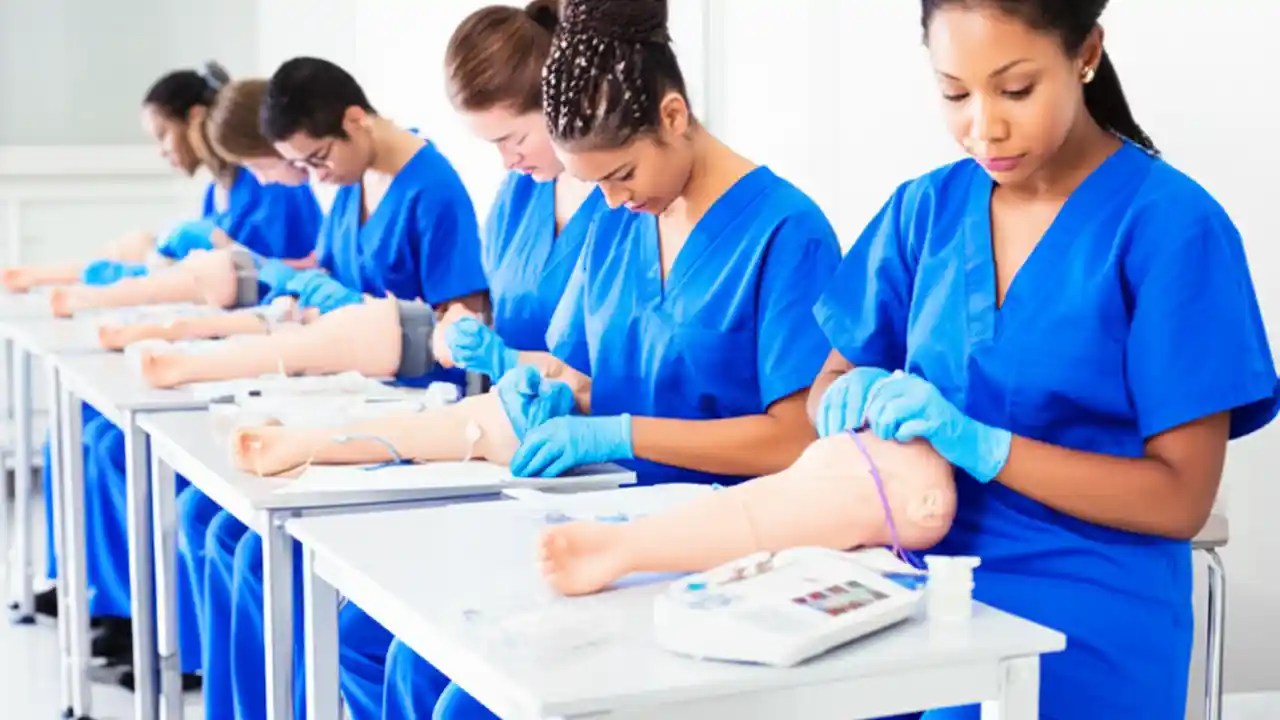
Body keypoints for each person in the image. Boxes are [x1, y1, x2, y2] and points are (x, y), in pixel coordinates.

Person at [809, 2, 1279, 718]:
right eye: (955, 93)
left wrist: (985, 446)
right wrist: (847, 398)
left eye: (1016, 90)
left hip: (1085, 599)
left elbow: (1180, 499)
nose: (983, 127)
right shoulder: (923, 212)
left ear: (1086, 52)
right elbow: (829, 385)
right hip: (908, 581)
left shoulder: (1171, 229)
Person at [381, 1, 844, 718]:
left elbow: (798, 440)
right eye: (593, 183)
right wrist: (543, 384)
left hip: (725, 545)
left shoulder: (786, 231)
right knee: (415, 659)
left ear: (673, 115)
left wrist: (618, 433)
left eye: (621, 174)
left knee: (464, 706)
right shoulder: (624, 219)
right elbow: (585, 372)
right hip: (612, 518)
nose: (612, 200)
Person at [172, 56, 494, 720]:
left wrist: (361, 320)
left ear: (356, 120)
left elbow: (458, 337)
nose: (313, 176)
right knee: (216, 522)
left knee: (264, 558)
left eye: (317, 158)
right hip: (355, 395)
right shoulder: (351, 179)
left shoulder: (431, 190)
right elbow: (329, 271)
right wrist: (309, 298)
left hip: (418, 425)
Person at [33, 70, 323, 692]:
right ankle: (119, 603)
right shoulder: (230, 187)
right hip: (255, 342)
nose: (164, 152)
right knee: (89, 434)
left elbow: (278, 283)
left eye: (164, 135)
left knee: (134, 459)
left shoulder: (283, 185)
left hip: (282, 353)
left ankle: (165, 632)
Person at [2, 66, 319, 294]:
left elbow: (273, 276)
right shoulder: (216, 192)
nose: (162, 152)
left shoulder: (276, 184)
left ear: (195, 117)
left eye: (164, 134)